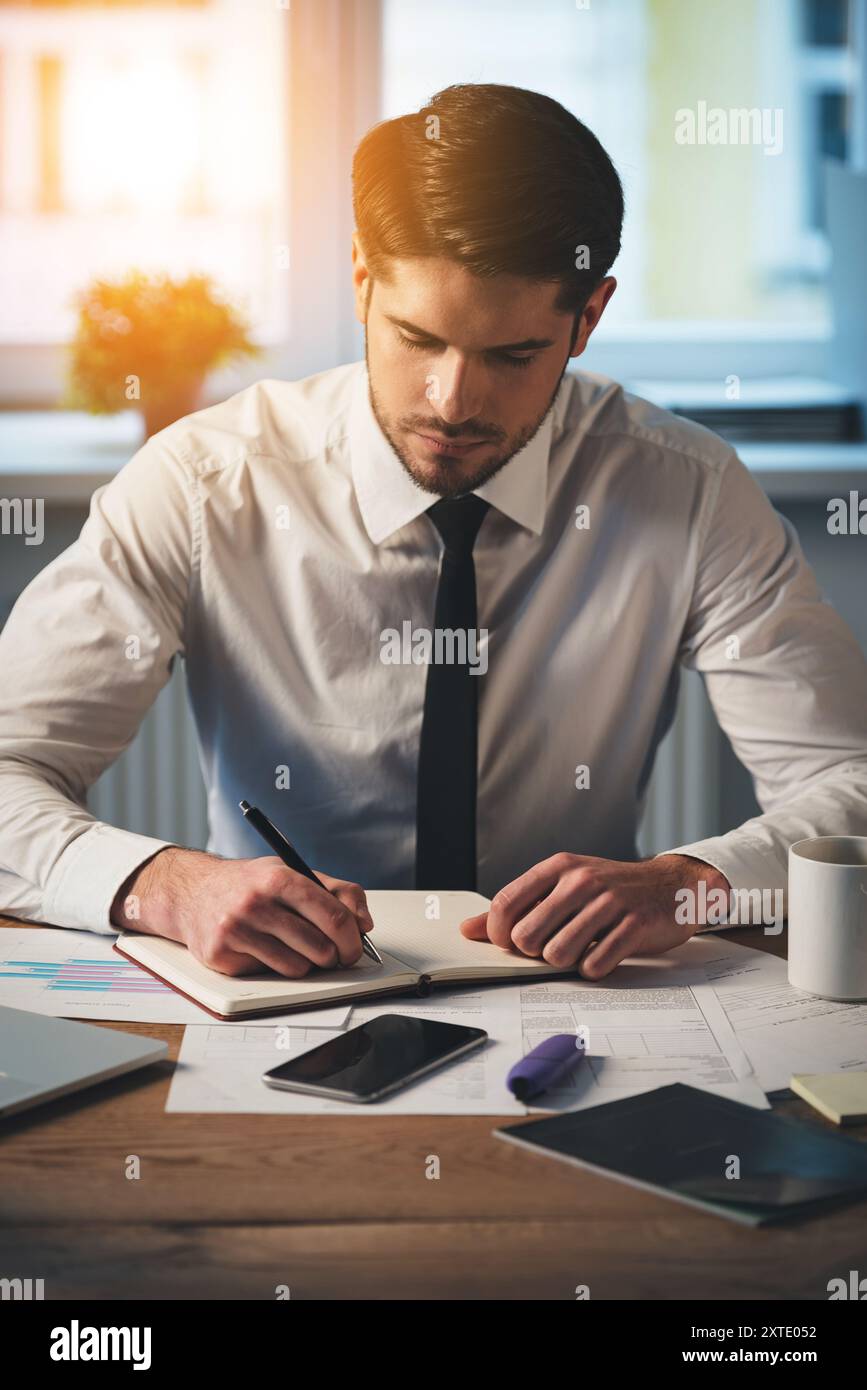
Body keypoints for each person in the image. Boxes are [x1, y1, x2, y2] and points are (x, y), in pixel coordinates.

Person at [1, 83, 865, 982]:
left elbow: (848, 788)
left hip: (589, 999)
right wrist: (167, 885)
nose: (451, 403)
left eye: (511, 356)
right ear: (361, 281)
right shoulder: (201, 484)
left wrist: (688, 883)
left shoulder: (686, 488)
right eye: (417, 338)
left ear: (588, 318)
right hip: (280, 999)